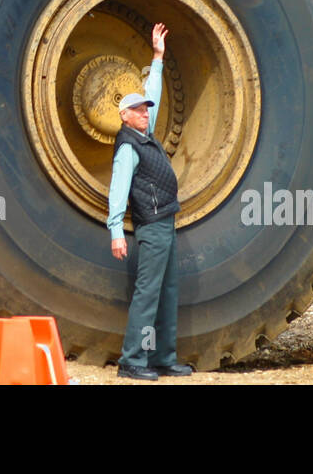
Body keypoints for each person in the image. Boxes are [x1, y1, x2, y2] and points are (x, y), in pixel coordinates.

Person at [107, 22, 193, 380]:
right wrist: (115, 231)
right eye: (140, 110)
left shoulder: (145, 136)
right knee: (147, 296)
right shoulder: (128, 147)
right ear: (125, 116)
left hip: (166, 223)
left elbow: (153, 89)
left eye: (147, 110)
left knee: (167, 292)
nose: (146, 113)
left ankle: (163, 358)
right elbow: (118, 188)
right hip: (152, 228)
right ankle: (132, 362)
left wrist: (158, 58)